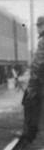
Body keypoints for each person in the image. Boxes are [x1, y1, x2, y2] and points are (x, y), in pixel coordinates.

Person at [21, 15, 44, 143]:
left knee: (29, 101)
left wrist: (32, 79)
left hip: (40, 80)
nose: (38, 29)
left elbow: (39, 62)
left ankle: (31, 133)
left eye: (39, 26)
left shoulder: (42, 41)